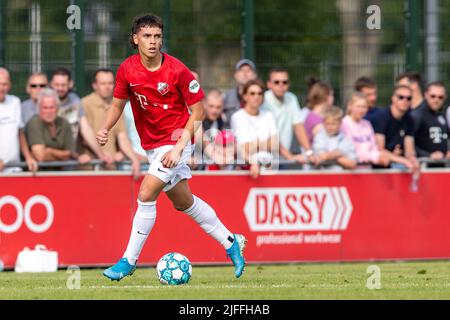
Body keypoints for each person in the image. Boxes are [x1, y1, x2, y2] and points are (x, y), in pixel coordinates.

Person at [96, 13, 247, 281]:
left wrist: (179, 148)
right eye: (147, 36)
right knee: (184, 202)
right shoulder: (127, 70)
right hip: (152, 145)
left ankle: (128, 261)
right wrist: (106, 127)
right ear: (135, 39)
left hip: (177, 140)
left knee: (145, 193)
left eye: (157, 37)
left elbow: (198, 111)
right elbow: (118, 104)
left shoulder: (177, 70)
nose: (153, 42)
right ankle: (230, 242)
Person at [50, 67, 112, 166]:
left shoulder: (75, 101)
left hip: (70, 160)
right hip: (49, 160)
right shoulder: (45, 102)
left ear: (70, 84)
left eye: (63, 85)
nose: (60, 88)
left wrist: (101, 155)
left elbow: (86, 129)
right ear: (51, 84)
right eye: (57, 85)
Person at [82, 69, 141, 170]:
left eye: (110, 83)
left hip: (111, 165)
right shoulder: (84, 103)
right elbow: (84, 135)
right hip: (89, 166)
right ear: (94, 85)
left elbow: (122, 136)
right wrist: (101, 154)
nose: (107, 87)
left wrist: (134, 159)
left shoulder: (118, 106)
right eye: (103, 83)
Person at [261, 67, 313, 166]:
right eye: (276, 82)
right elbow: (268, 137)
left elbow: (298, 126)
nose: (281, 85)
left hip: (283, 158)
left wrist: (309, 152)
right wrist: (290, 156)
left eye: (284, 82)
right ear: (269, 84)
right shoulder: (263, 100)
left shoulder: (291, 98)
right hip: (265, 159)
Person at [231, 80, 279, 179]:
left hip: (269, 169)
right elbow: (242, 149)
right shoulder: (238, 116)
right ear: (245, 96)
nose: (256, 96)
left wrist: (254, 144)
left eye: (259, 93)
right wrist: (265, 143)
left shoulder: (268, 115)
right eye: (252, 93)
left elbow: (275, 145)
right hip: (247, 170)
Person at [371, 85, 420, 171]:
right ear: (393, 98)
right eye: (401, 97)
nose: (405, 101)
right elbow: (379, 150)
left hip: (395, 166)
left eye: (409, 98)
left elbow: (409, 149)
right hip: (376, 168)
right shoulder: (381, 116)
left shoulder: (409, 119)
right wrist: (403, 161)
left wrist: (412, 159)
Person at [0, 68, 37, 172]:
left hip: (14, 167)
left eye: (4, 84)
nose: (1, 88)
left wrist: (28, 157)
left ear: (9, 85)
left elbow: (20, 132)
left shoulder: (15, 102)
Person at [341, 92, 389, 167]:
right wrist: (375, 157)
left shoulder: (367, 124)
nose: (361, 110)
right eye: (358, 106)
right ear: (350, 106)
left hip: (367, 168)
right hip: (353, 169)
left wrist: (379, 155)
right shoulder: (344, 124)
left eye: (364, 107)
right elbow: (351, 150)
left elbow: (373, 146)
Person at [25, 89, 74, 162]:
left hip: (61, 171)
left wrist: (50, 151)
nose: (48, 112)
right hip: (38, 172)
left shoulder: (64, 123)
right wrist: (62, 156)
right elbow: (40, 156)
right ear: (39, 109)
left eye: (51, 107)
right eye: (45, 108)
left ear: (57, 108)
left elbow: (70, 153)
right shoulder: (34, 122)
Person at [411, 82, 450, 162]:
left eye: (440, 97)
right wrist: (428, 155)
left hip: (442, 164)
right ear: (425, 95)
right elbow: (408, 143)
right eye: (433, 96)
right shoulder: (417, 115)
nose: (436, 100)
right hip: (423, 165)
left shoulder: (442, 116)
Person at [223, 59, 257, 127]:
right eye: (241, 70)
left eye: (249, 70)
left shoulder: (261, 96)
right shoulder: (226, 97)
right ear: (235, 75)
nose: (245, 73)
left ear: (254, 75)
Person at [303, 78, 334, 145]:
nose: (333, 98)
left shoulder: (316, 116)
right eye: (331, 95)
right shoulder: (316, 121)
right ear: (326, 96)